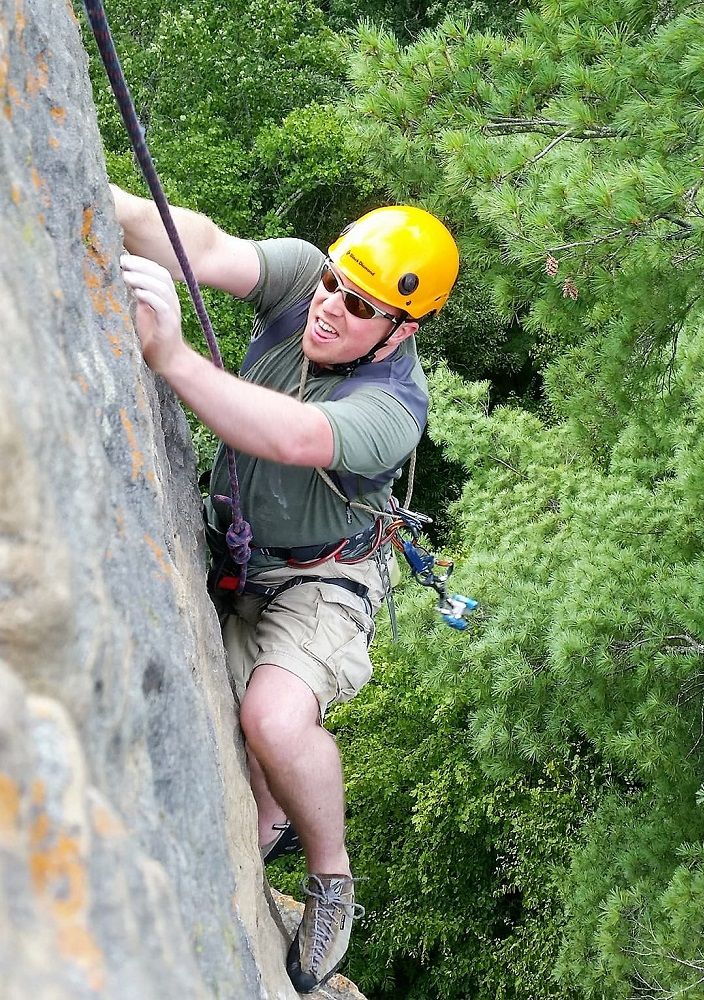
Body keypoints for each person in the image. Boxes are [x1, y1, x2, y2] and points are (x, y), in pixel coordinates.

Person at [113, 186, 459, 994]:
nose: (331, 307)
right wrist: (111, 200)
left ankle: (331, 878)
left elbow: (298, 435)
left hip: (322, 579)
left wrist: (171, 357)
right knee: (243, 750)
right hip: (240, 554)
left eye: (361, 305)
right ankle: (267, 820)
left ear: (400, 331)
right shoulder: (308, 279)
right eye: (336, 282)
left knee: (271, 718)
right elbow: (204, 246)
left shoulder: (394, 406)